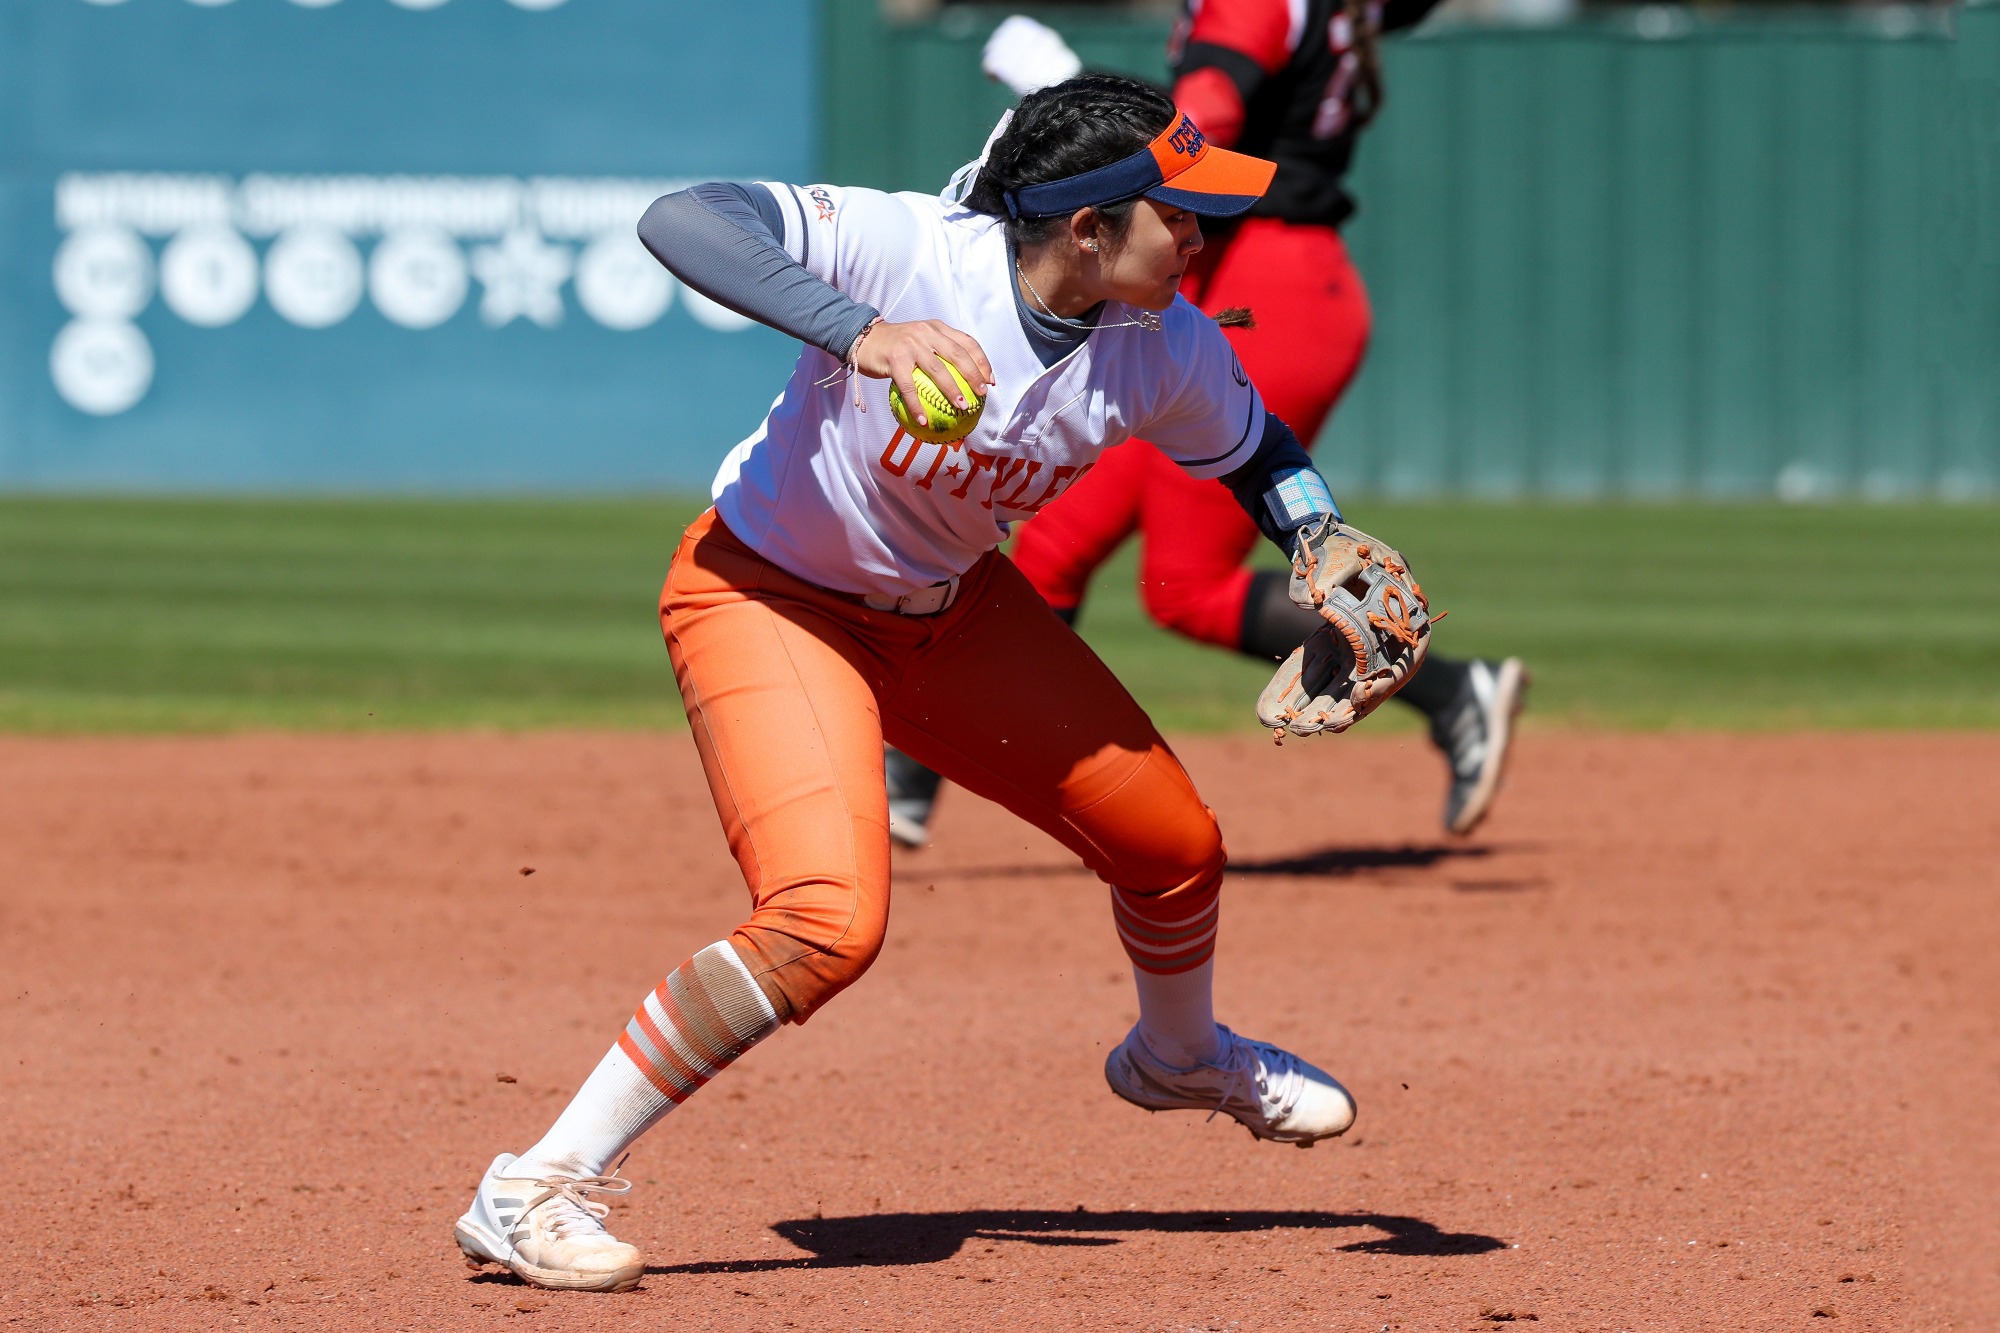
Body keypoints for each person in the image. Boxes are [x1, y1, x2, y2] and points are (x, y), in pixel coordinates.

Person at [454, 73, 1409, 1294]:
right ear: (1087, 229)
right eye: (1180, 212)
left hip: (949, 616)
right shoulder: (913, 252)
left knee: (1173, 844)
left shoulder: (1157, 342)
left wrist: (1315, 537)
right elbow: (683, 218)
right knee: (824, 919)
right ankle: (532, 1183)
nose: (1202, 234)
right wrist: (863, 331)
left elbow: (1257, 450)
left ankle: (1175, 1057)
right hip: (767, 592)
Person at [883, 10, 1526, 851]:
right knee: (1056, 549)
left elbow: (1204, 125)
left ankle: (1446, 689)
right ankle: (912, 771)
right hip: (1259, 278)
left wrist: (1071, 100)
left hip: (1262, 288)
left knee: (1184, 584)